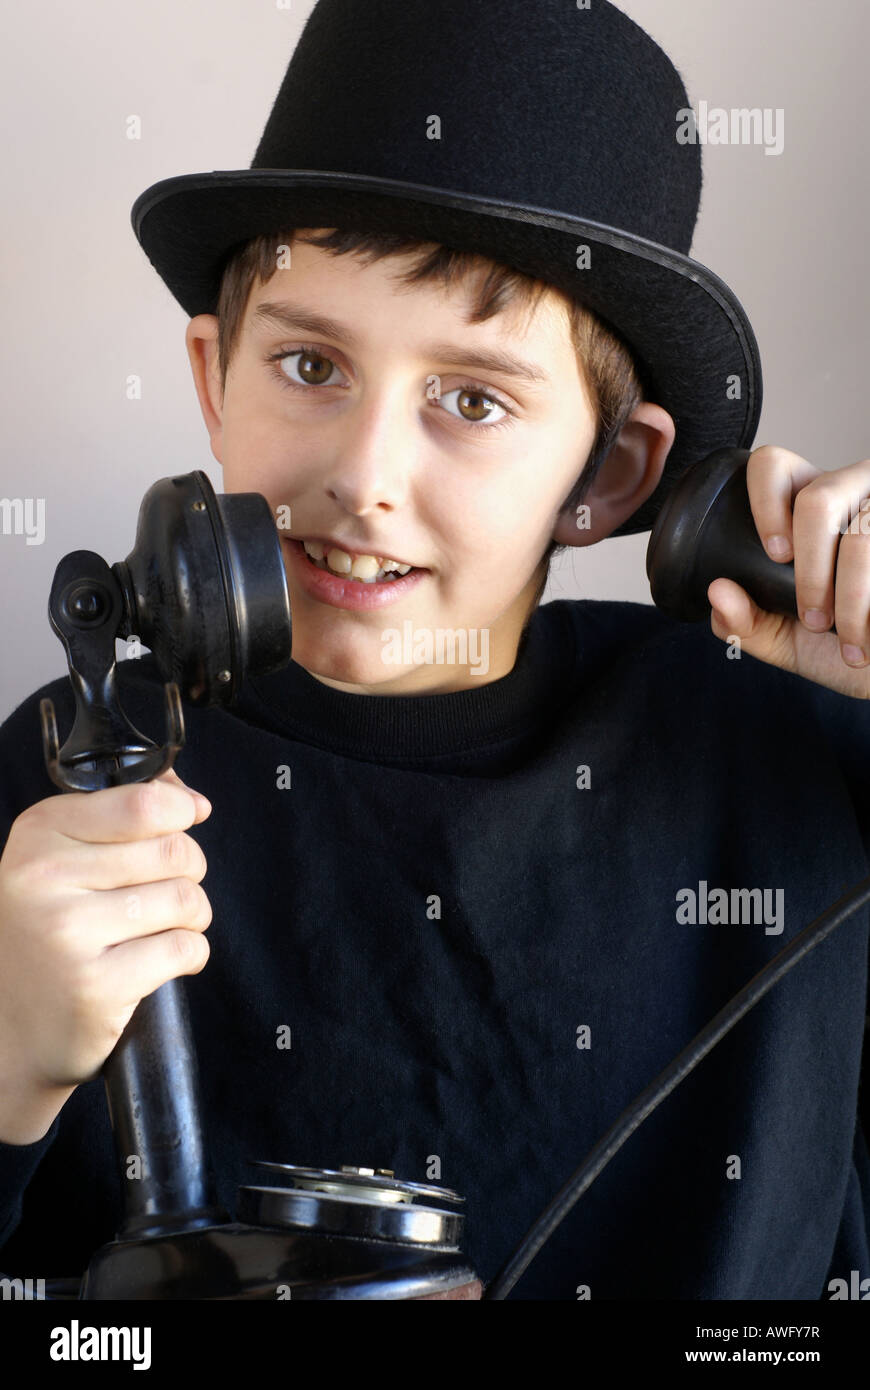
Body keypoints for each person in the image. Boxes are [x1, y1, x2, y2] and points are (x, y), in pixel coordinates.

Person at [0, 0, 867, 1300]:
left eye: (471, 399)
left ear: (611, 473)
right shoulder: (74, 776)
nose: (363, 475)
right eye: (307, 364)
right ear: (209, 375)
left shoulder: (790, 747)